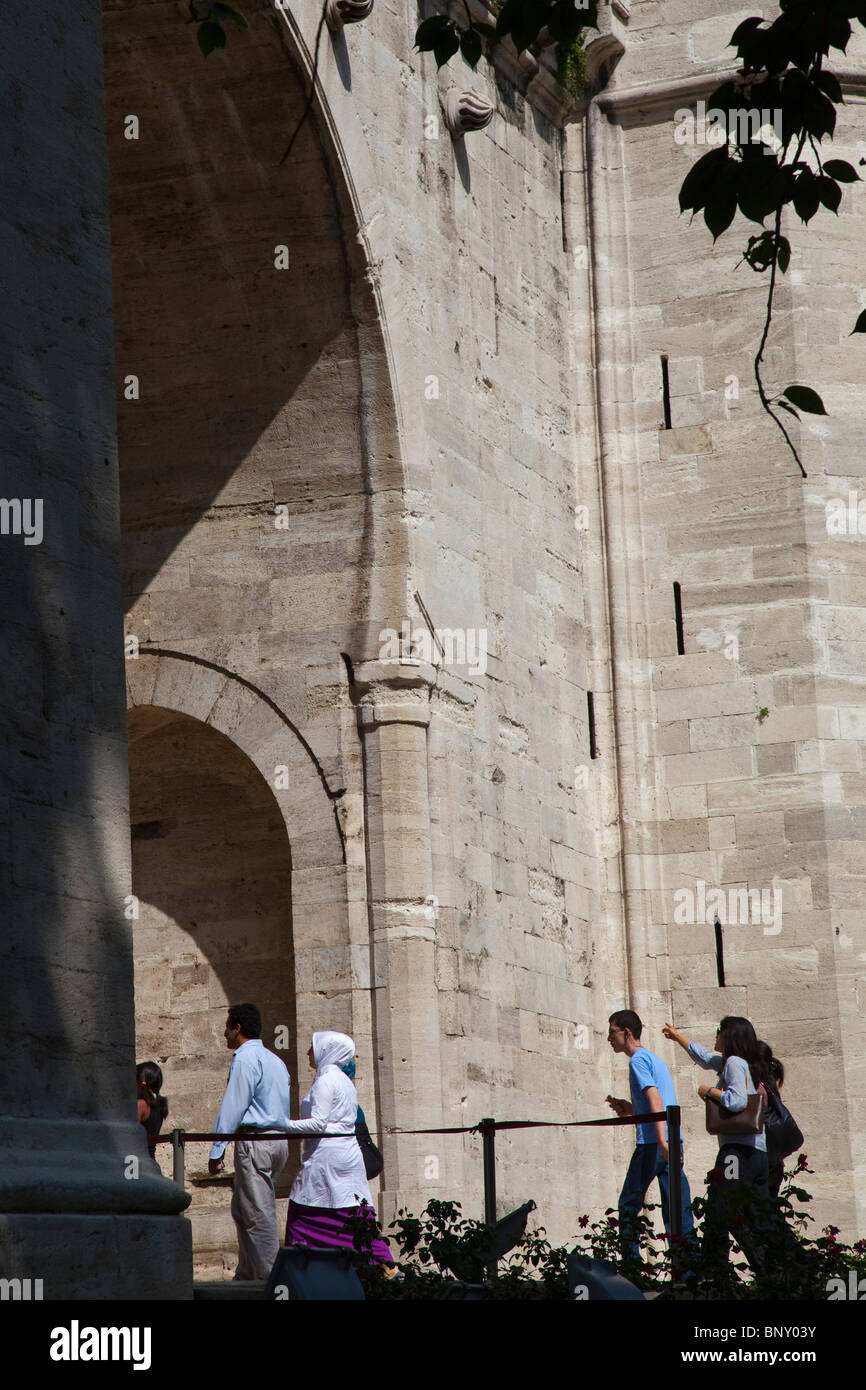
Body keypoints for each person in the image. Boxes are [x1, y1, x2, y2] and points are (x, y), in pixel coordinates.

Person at [663, 1016, 801, 1278]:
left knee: (718, 1207)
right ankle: (797, 1265)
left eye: (719, 1031)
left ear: (730, 1036)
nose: (716, 1035)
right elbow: (705, 1057)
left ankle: (713, 1273)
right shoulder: (736, 1063)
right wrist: (679, 1037)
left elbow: (737, 1102)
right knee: (760, 1214)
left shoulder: (735, 1064)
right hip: (754, 1153)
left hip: (736, 1153)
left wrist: (709, 1092)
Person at [281, 1031, 394, 1268]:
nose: (308, 1052)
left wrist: (279, 1123)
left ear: (326, 1051)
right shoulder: (342, 1080)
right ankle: (384, 1266)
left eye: (313, 1047)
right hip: (342, 1156)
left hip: (327, 1157)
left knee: (301, 1217)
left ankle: (299, 1269)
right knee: (354, 1214)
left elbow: (318, 1123)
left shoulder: (326, 1080)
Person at [208, 1003, 292, 1281]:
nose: (224, 1033)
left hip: (256, 1141)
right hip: (277, 1142)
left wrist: (217, 1148)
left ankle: (271, 1278)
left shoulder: (245, 1059)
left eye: (227, 1026)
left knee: (258, 1211)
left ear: (237, 1027)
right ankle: (247, 1271)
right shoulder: (275, 1060)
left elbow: (233, 1106)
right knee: (244, 1207)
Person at [606, 1009, 695, 1265]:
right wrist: (631, 1109)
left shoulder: (637, 1061)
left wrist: (661, 1142)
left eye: (612, 1032)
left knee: (628, 1205)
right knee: (677, 1208)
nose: (609, 1038)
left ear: (627, 1032)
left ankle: (632, 1267)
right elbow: (657, 1102)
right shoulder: (653, 1059)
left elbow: (656, 1099)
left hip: (653, 1145)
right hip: (670, 1140)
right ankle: (687, 1268)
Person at [136, 1060, 168, 1158]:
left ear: (139, 1083)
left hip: (137, 1163)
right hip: (150, 1159)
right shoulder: (158, 1105)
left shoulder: (140, 1106)